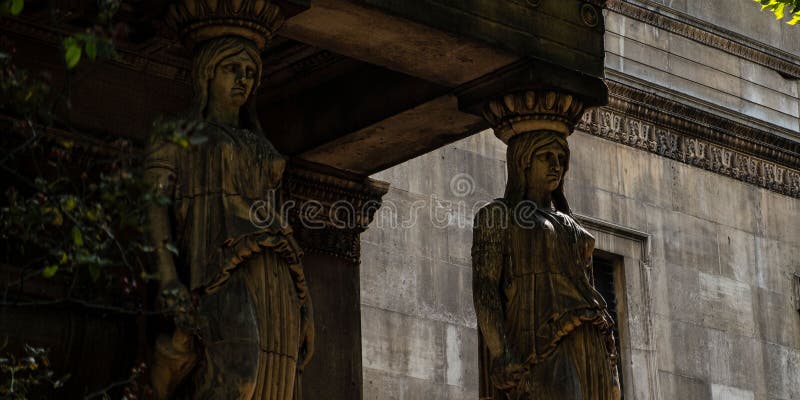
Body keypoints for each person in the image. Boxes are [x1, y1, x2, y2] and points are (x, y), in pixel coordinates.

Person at [145, 36, 313, 400]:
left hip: (275, 273)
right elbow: (154, 205)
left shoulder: (261, 145)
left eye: (250, 73)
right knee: (238, 380)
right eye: (231, 69)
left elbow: (282, 223)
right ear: (206, 74)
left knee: (276, 388)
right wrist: (168, 278)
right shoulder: (175, 132)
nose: (243, 80)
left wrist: (305, 306)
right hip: (215, 267)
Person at [472, 130, 620, 400]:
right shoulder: (497, 215)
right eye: (547, 156)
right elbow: (485, 288)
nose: (556, 166)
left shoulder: (570, 224)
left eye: (561, 159)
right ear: (523, 161)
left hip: (588, 335)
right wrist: (501, 351)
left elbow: (587, 285)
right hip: (537, 341)